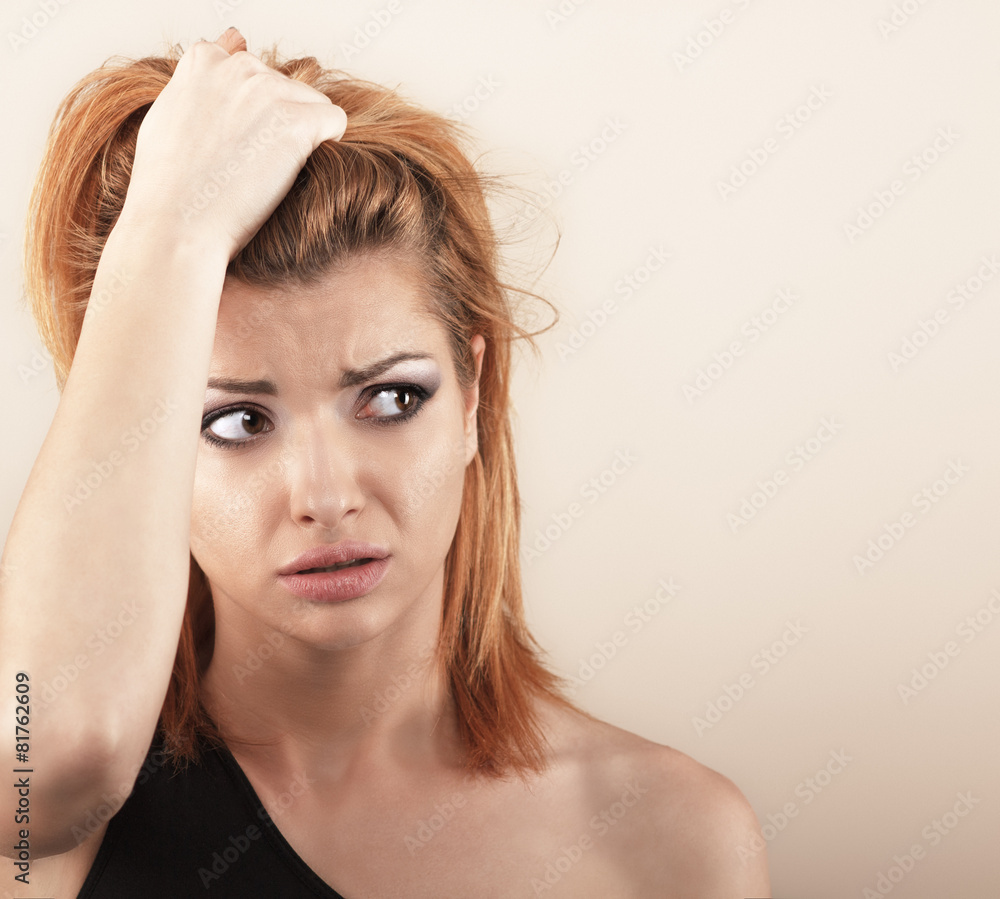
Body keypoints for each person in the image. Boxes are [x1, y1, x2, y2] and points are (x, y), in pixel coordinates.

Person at [1, 27, 770, 898]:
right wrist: (171, 228)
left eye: (392, 399)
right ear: (143, 442)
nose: (326, 496)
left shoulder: (670, 838)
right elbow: (44, 764)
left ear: (473, 393)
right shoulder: (54, 825)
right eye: (238, 419)